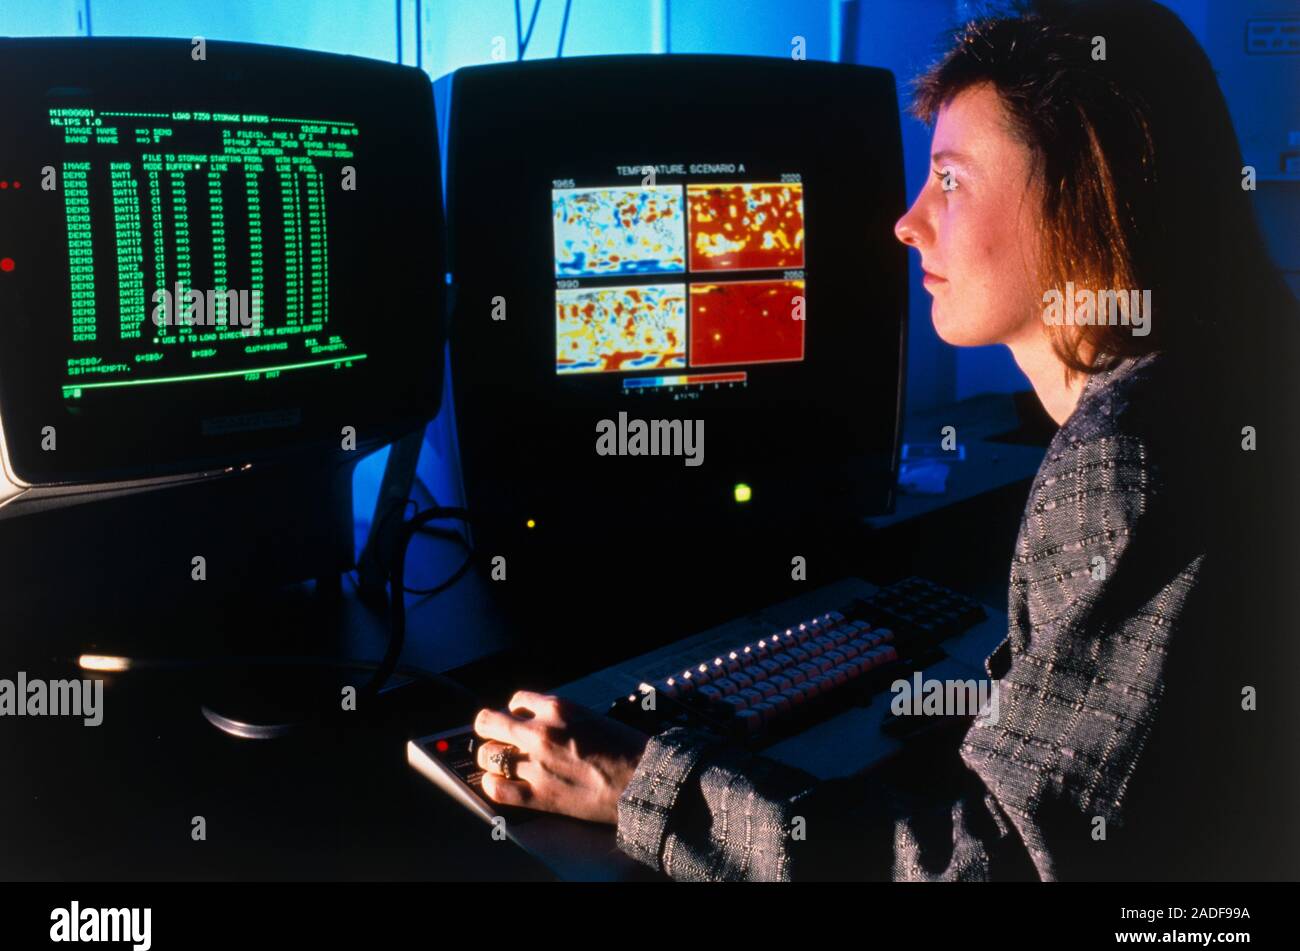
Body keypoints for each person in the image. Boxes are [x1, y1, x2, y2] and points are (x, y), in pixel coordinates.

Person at [470, 0, 1300, 880]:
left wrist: (644, 782)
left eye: (950, 180)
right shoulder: (1225, 382)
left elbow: (992, 868)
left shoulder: (1116, 462)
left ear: (1082, 193)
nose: (907, 223)